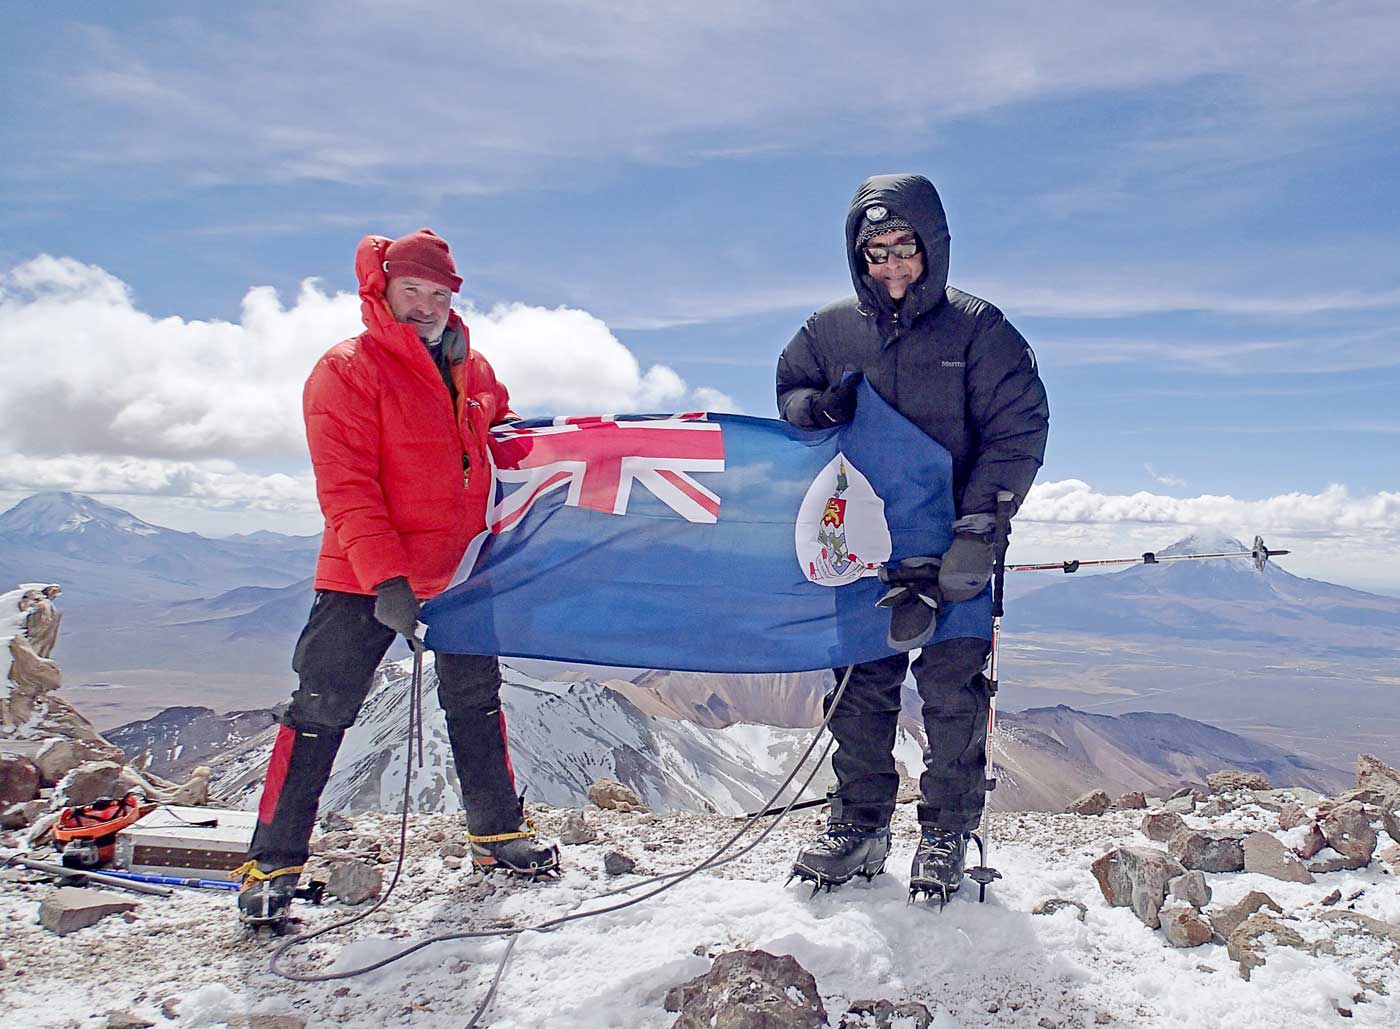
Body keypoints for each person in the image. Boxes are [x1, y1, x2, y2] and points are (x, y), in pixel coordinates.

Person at [236, 229, 560, 928]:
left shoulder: (473, 369)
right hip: (364, 575)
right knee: (320, 709)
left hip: (463, 569)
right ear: (382, 290)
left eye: (440, 294)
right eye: (413, 290)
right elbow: (346, 486)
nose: (427, 306)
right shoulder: (347, 369)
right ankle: (272, 865)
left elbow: (506, 439)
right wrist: (386, 578)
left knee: (475, 701)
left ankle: (496, 834)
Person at [776, 174, 1049, 900]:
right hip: (862, 544)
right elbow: (790, 391)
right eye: (877, 252)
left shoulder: (979, 330)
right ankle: (859, 824)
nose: (892, 265)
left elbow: (1017, 432)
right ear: (857, 255)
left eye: (905, 247)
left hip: (955, 539)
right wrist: (815, 406)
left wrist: (980, 529)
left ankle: (946, 831)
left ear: (933, 246)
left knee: (953, 692)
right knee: (859, 691)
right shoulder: (830, 329)